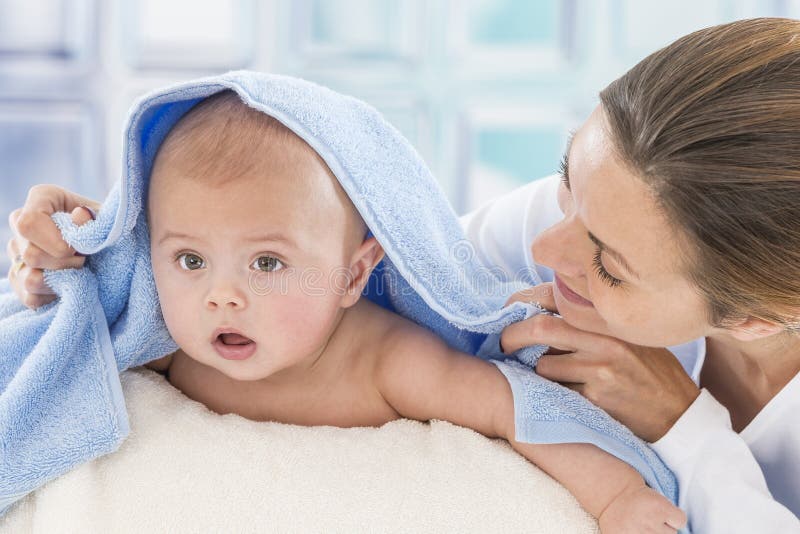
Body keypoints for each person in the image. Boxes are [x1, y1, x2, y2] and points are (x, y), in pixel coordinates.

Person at [3, 89, 686, 532]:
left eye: (266, 264)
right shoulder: (172, 338)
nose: (221, 294)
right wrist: (66, 260)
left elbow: (516, 413)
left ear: (354, 274)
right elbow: (69, 338)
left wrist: (616, 498)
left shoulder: (384, 360)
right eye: (189, 260)